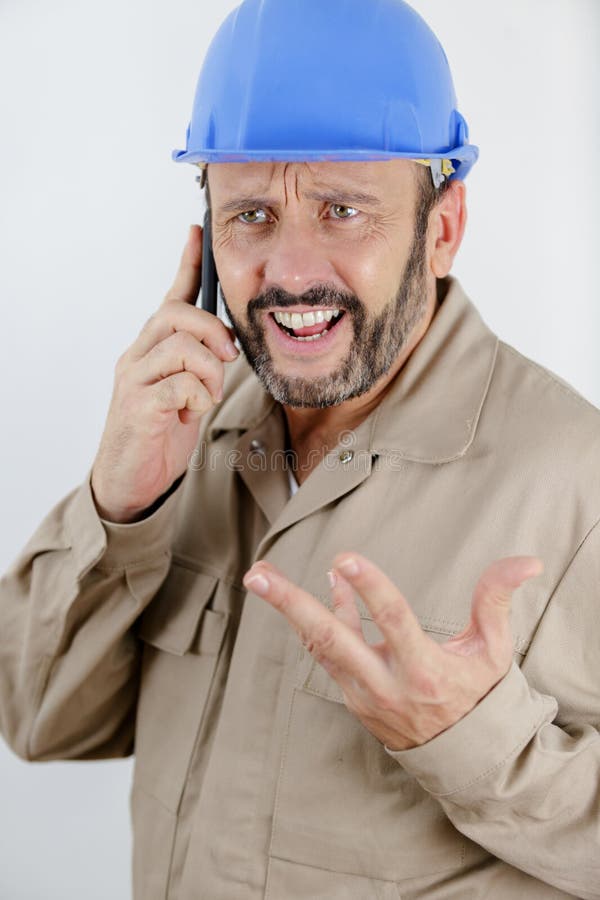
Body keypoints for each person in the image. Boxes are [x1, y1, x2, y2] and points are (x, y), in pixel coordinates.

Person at [1, 0, 598, 897]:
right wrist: (119, 512)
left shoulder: (574, 482)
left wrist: (477, 742)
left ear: (441, 229)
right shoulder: (184, 433)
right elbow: (37, 720)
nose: (289, 273)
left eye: (342, 210)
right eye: (250, 215)